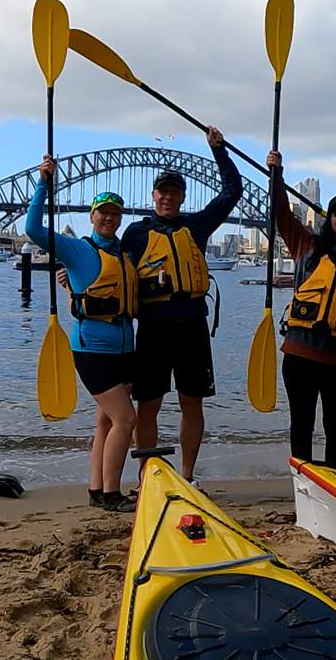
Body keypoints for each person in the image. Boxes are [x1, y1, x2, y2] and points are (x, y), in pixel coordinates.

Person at [122, 127, 242, 481]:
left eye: (175, 192)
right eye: (163, 192)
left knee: (192, 402)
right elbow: (107, 267)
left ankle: (188, 475)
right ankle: (148, 475)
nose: (168, 198)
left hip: (191, 327)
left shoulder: (198, 225)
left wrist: (218, 150)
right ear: (153, 195)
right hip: (153, 329)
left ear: (182, 196)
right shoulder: (136, 234)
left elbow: (232, 191)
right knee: (149, 404)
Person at [26, 157, 138, 513]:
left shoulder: (123, 252)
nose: (108, 218)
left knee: (106, 420)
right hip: (93, 350)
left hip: (124, 349)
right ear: (91, 217)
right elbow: (32, 229)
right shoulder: (78, 250)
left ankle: (96, 490)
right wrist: (44, 183)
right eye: (102, 212)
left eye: (115, 213)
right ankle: (112, 494)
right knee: (126, 419)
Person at [267, 149, 336, 469]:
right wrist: (277, 174)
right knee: (301, 422)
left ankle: (333, 481)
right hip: (300, 354)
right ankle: (304, 479)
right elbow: (281, 214)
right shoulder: (306, 246)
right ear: (330, 218)